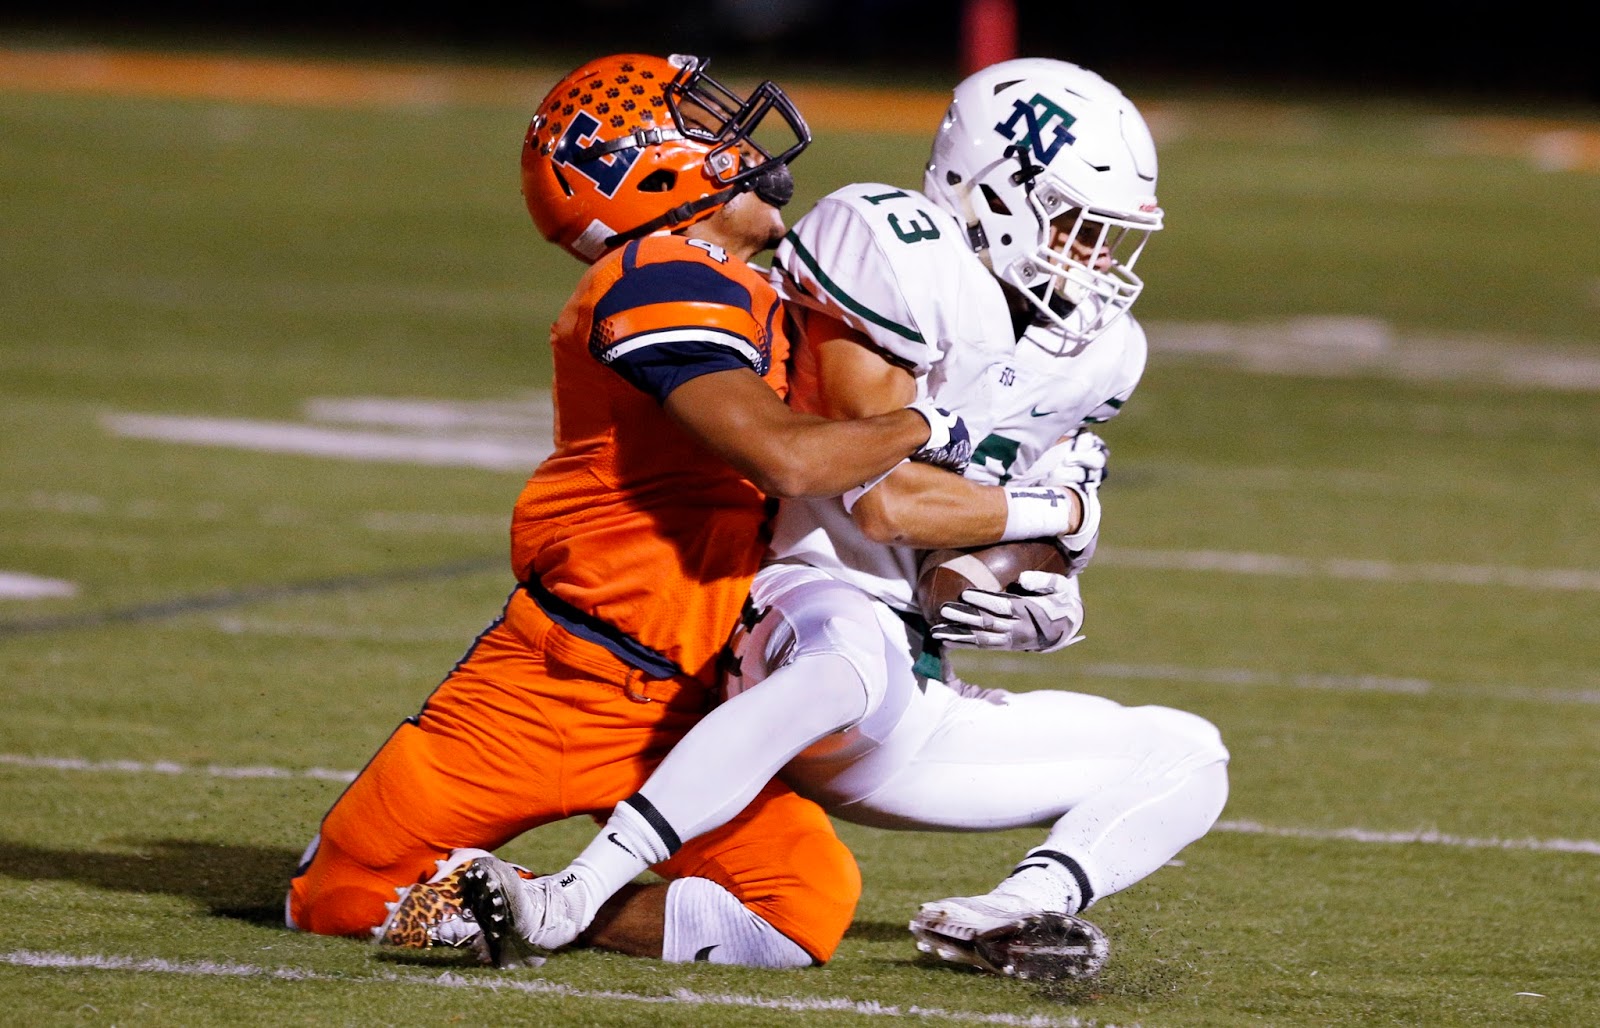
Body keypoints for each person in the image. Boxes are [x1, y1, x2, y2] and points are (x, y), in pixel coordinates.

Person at [458, 57, 1230, 982]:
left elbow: (965, 567)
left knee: (1185, 752)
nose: (1098, 258)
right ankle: (574, 892)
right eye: (1076, 225)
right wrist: (1062, 512)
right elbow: (891, 501)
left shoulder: (1097, 353)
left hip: (906, 680)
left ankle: (1014, 914)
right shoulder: (891, 243)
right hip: (788, 613)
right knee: (849, 654)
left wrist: (1039, 596)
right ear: (997, 194)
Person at [284, 51, 978, 971]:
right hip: (561, 677)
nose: (735, 135)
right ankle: (470, 883)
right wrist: (934, 419)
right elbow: (786, 456)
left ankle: (543, 908)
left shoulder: (753, 288)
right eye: (699, 122)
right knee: (338, 895)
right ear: (649, 168)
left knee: (801, 910)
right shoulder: (654, 276)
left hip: (691, 700)